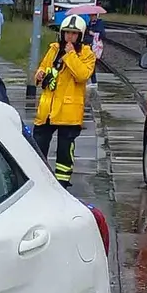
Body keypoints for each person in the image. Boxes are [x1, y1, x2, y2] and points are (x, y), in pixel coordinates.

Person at [31, 15, 97, 187]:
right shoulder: (53, 49)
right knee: (38, 145)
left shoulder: (87, 55)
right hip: (48, 109)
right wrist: (39, 74)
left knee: (64, 148)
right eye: (67, 33)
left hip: (69, 111)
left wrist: (70, 55)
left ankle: (62, 181)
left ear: (80, 36)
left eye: (74, 34)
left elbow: (82, 75)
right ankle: (38, 177)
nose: (69, 37)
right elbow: (44, 66)